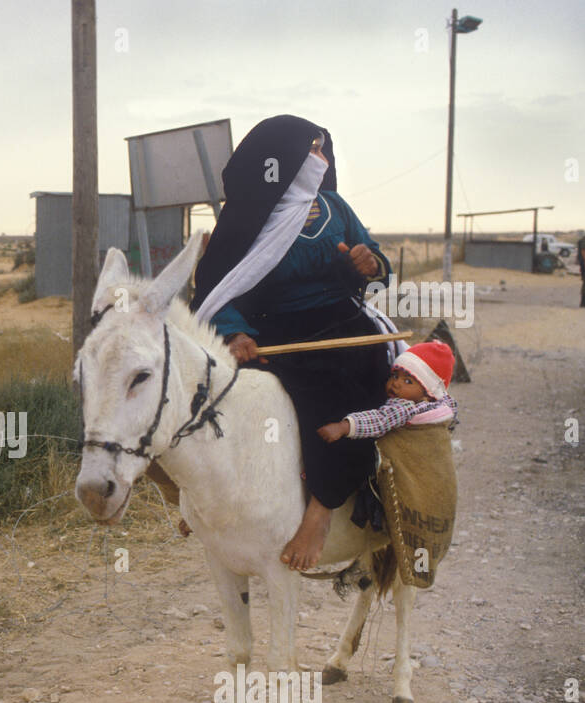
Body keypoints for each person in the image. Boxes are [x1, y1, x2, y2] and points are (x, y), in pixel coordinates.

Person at [191, 115, 398, 571]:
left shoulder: (334, 206)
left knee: (371, 370)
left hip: (342, 318)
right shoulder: (248, 216)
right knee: (302, 388)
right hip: (277, 327)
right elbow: (218, 284)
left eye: (324, 149)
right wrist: (234, 331)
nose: (323, 159)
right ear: (282, 161)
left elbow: (373, 255)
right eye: (314, 149)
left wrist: (368, 262)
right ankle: (206, 501)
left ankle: (330, 505)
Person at [318, 341, 458, 442]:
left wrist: (344, 427)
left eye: (408, 381)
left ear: (428, 392)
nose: (396, 383)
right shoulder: (446, 403)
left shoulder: (405, 408)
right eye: (395, 375)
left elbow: (380, 420)